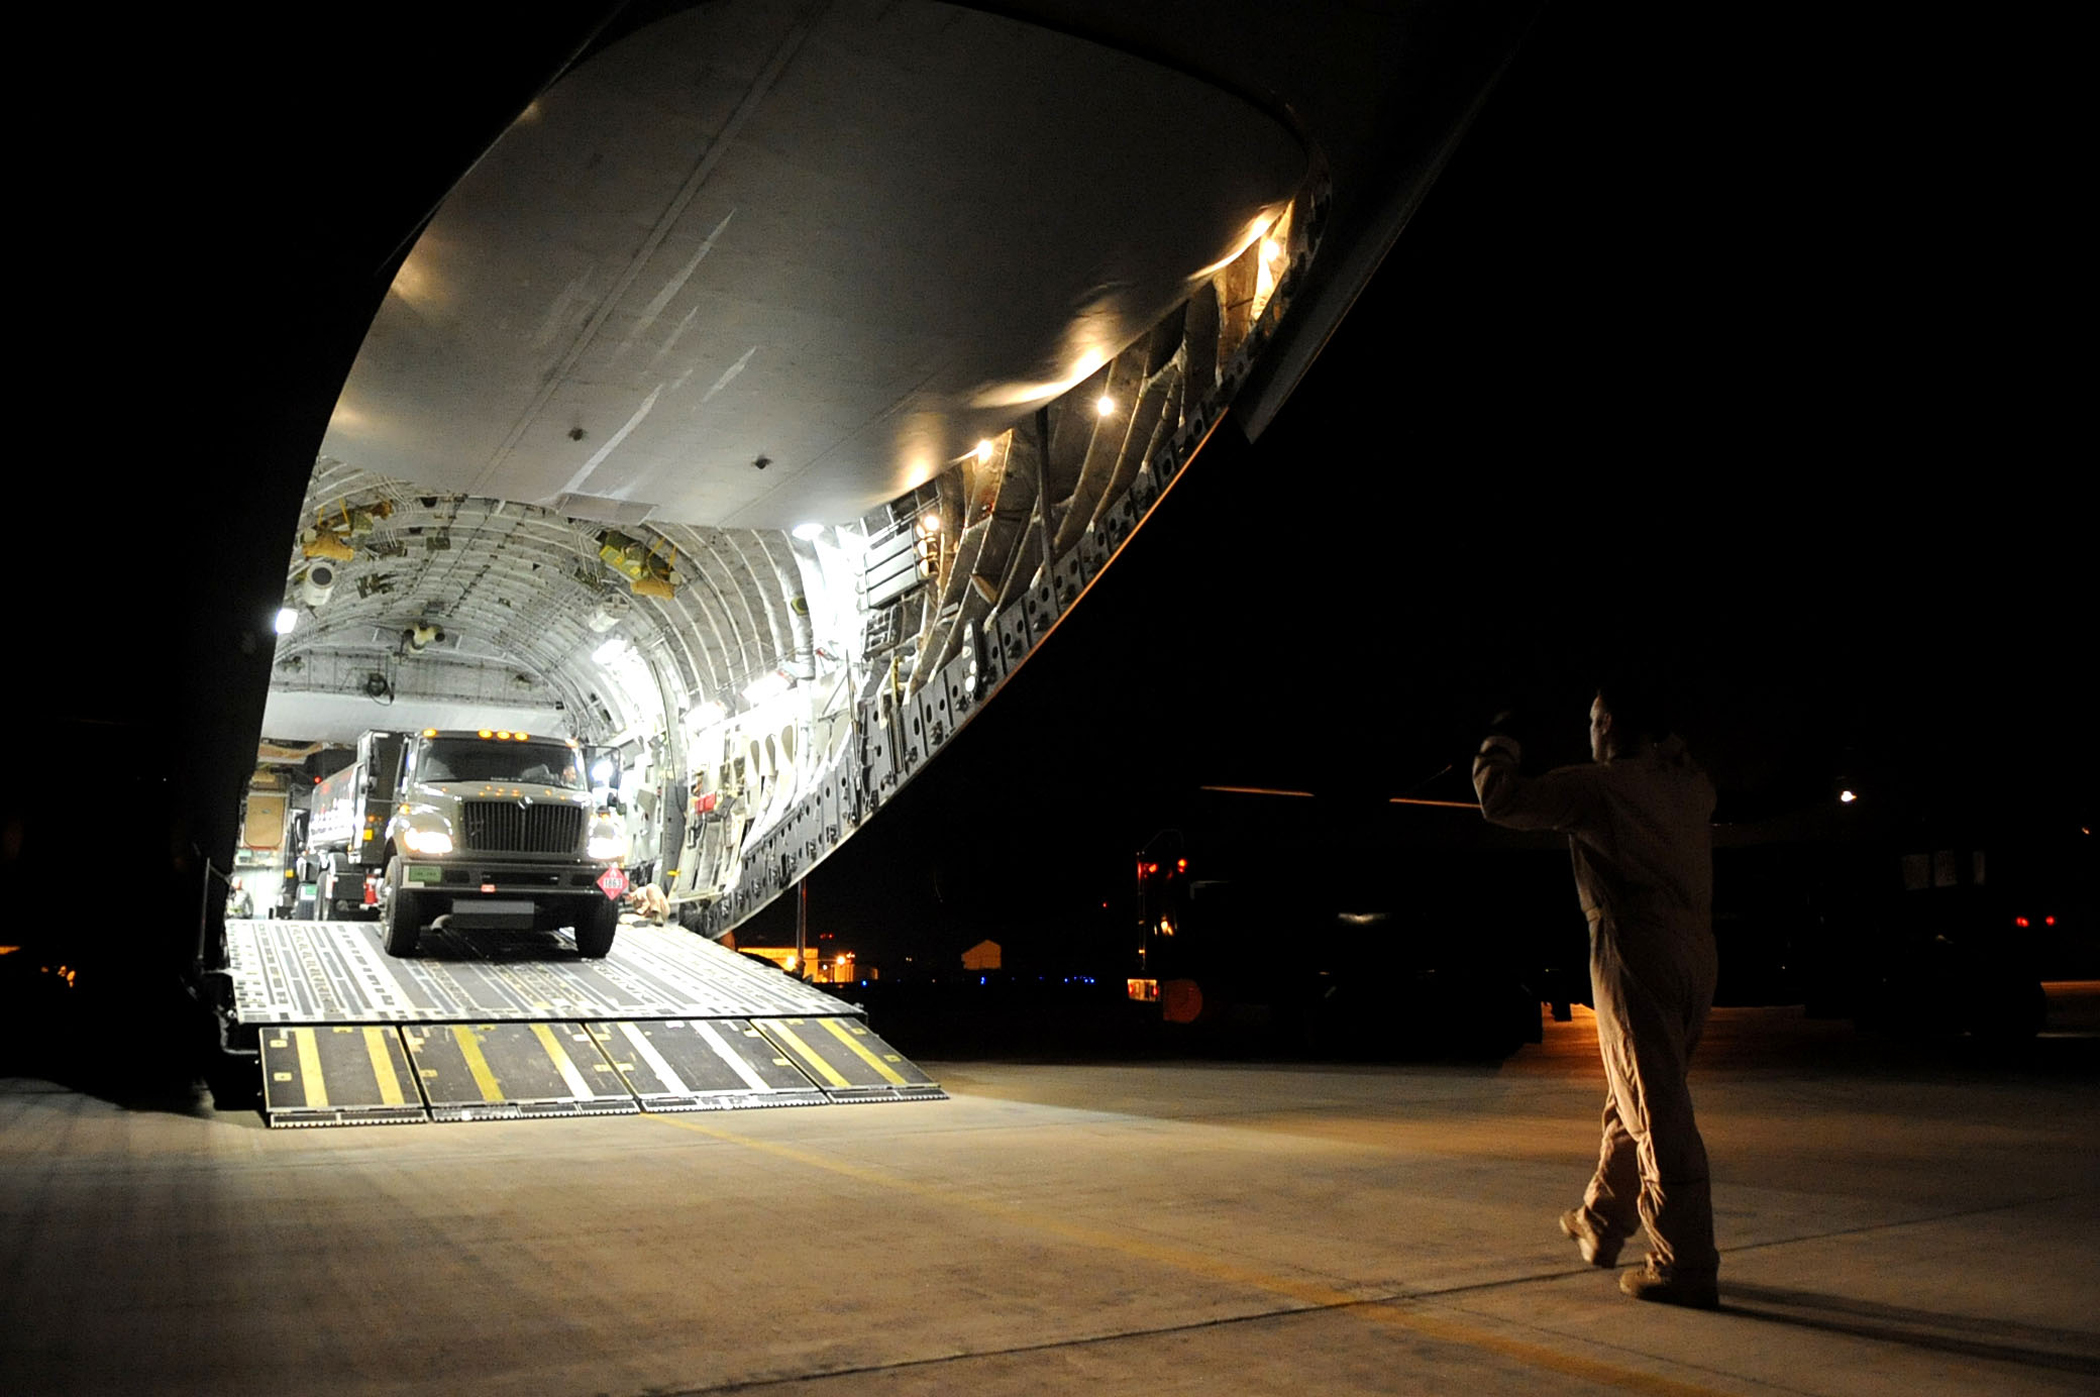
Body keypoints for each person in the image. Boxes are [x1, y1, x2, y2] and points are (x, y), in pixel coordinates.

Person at [1472, 682, 1721, 1308]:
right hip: (1696, 950)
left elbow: (1502, 800)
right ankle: (1602, 1220)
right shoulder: (1689, 786)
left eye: (1592, 719)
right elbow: (1685, 762)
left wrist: (1500, 741)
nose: (1588, 731)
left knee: (1656, 1109)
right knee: (1635, 1089)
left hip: (1634, 946)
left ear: (1607, 723)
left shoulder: (1598, 788)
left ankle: (1683, 1263)